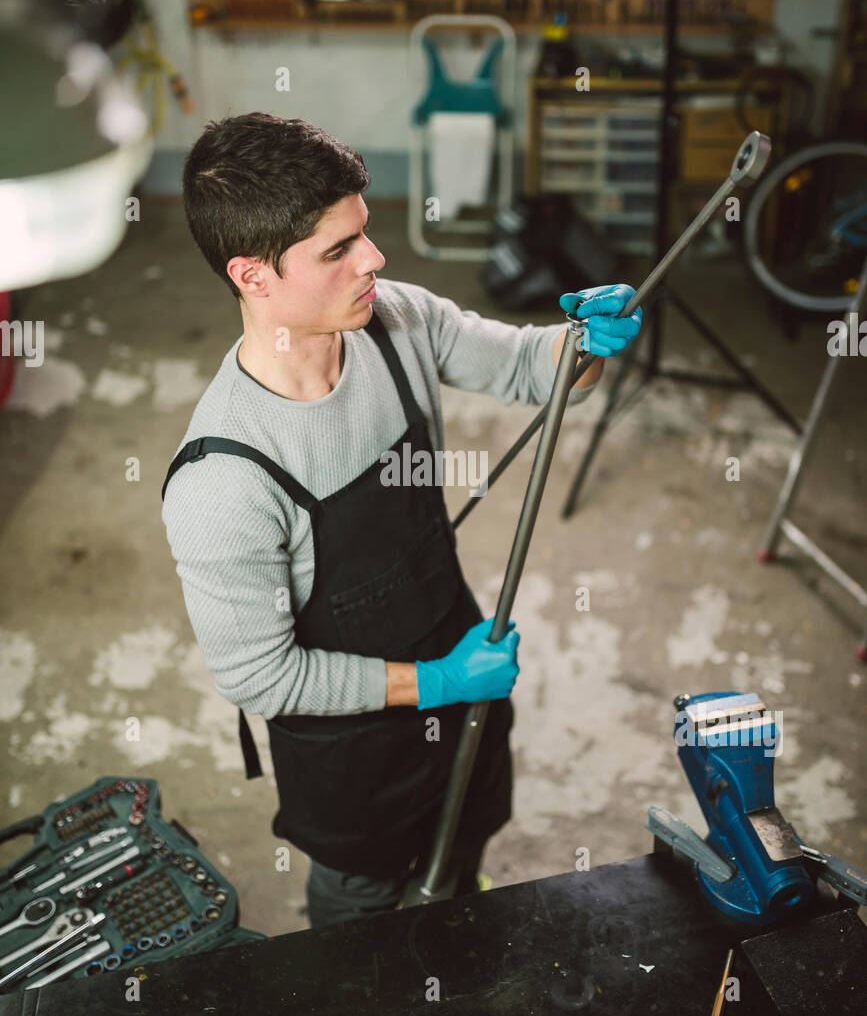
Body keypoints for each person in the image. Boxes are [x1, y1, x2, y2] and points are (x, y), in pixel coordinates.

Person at [161, 114, 642, 928]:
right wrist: (435, 684)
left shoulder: (397, 322)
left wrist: (583, 345)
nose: (374, 260)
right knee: (365, 919)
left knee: (460, 865)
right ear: (253, 276)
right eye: (337, 250)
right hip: (354, 756)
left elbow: (532, 368)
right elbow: (261, 678)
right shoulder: (222, 480)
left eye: (365, 233)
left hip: (460, 663)